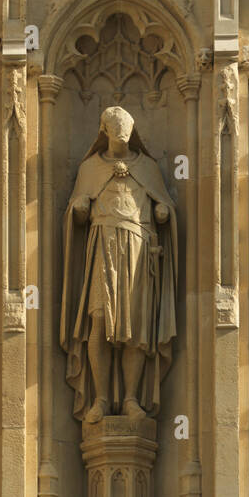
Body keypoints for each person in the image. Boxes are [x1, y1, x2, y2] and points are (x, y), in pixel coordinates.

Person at [60, 105, 178, 425]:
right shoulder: (90, 169)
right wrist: (80, 208)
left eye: (125, 134)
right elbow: (78, 212)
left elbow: (163, 205)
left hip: (139, 250)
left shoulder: (148, 168)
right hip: (103, 247)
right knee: (99, 321)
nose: (121, 140)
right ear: (105, 132)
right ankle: (99, 397)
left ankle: (130, 398)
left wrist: (163, 212)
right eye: (116, 133)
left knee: (136, 328)